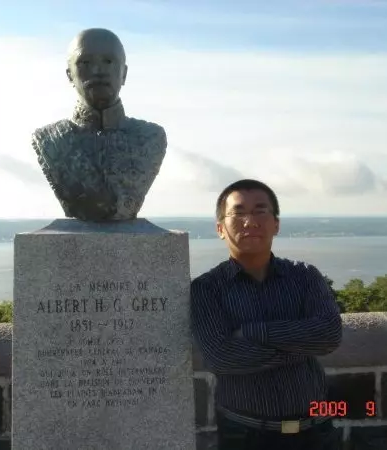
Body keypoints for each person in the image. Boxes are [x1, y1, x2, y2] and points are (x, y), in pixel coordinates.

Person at [190, 179, 343, 450]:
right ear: (220, 229)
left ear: (276, 224)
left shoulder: (305, 276)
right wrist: (302, 346)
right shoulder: (206, 289)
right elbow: (222, 358)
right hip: (246, 435)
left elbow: (329, 335)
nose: (250, 221)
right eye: (238, 212)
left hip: (317, 431)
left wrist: (254, 332)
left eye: (261, 210)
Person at [32, 28, 167, 221]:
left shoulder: (150, 137)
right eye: (85, 63)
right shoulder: (50, 139)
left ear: (124, 74)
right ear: (70, 75)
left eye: (109, 62)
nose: (98, 71)